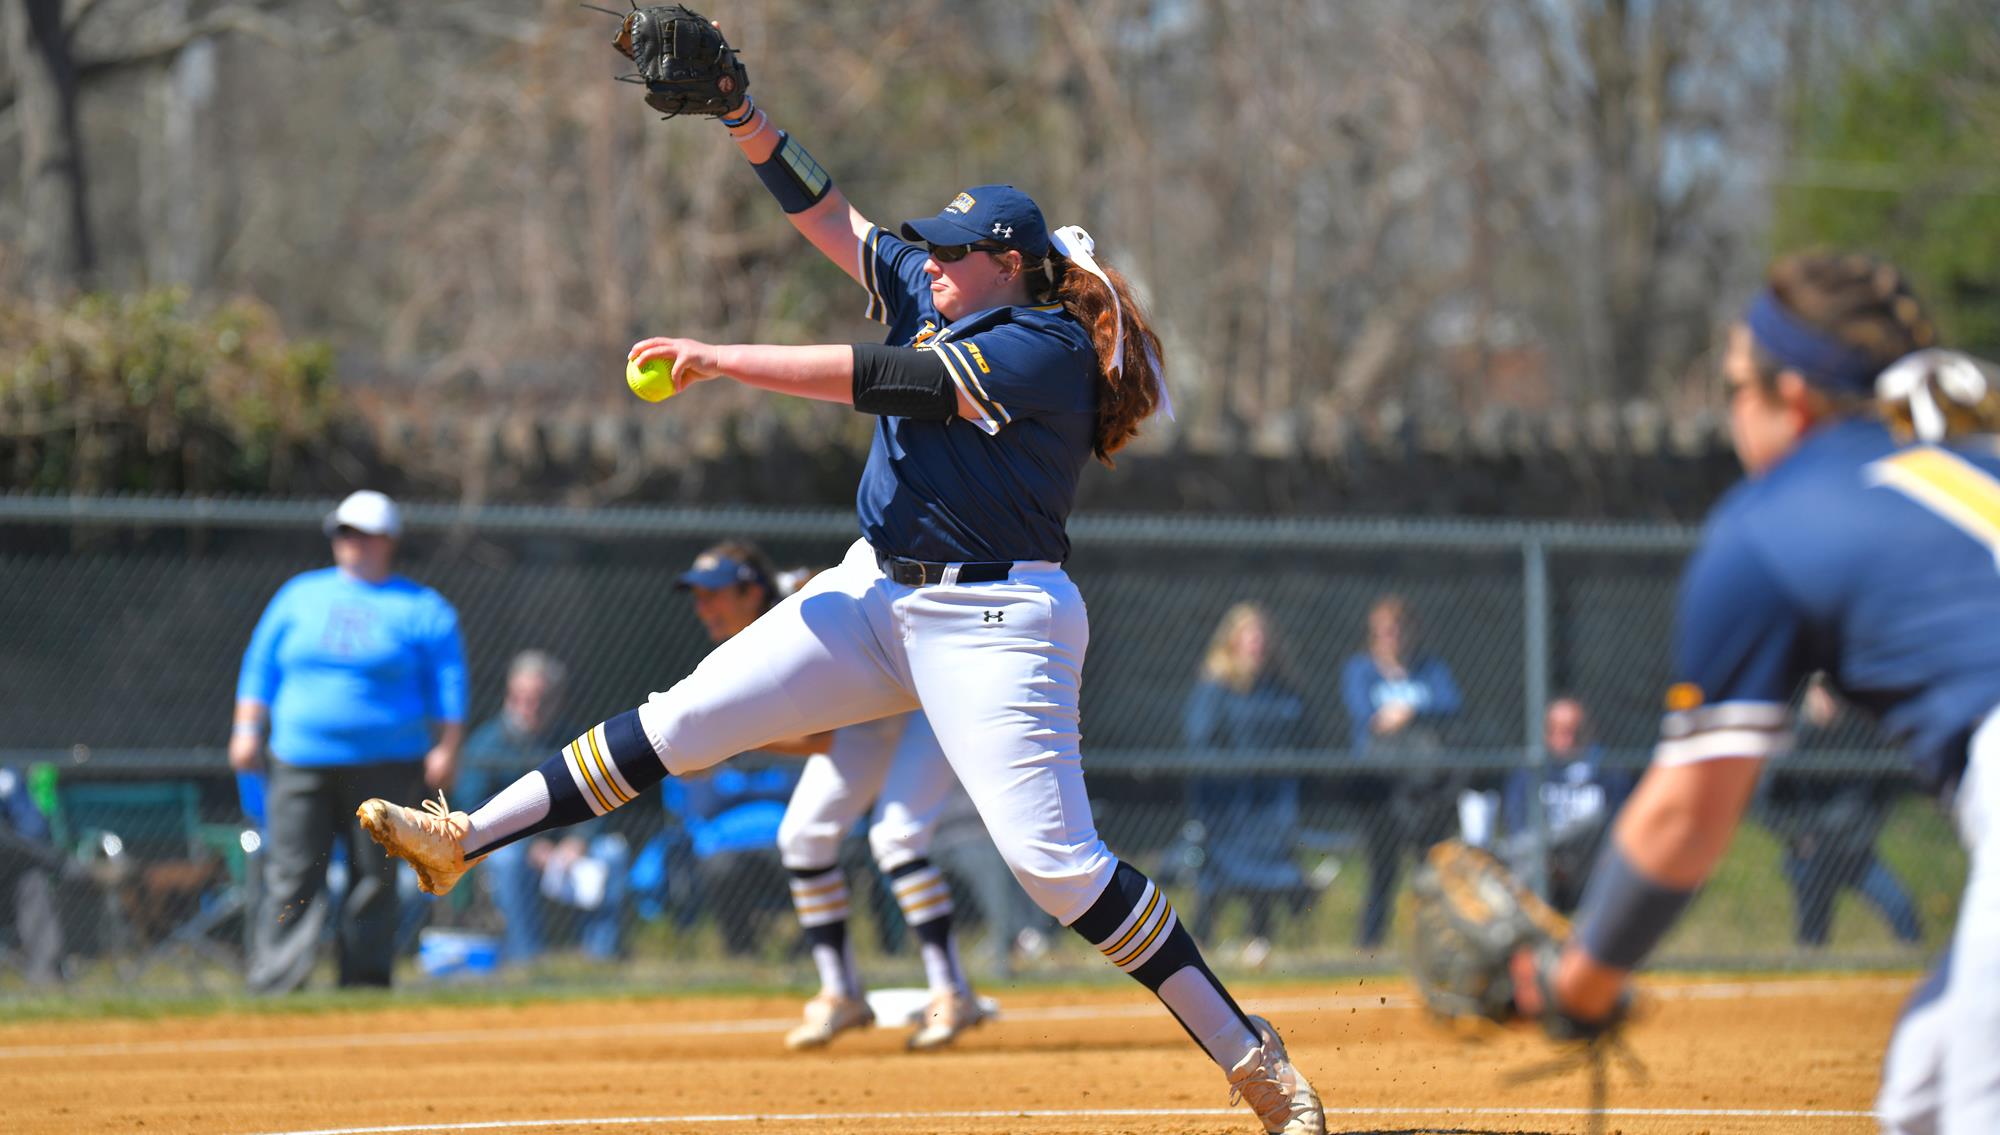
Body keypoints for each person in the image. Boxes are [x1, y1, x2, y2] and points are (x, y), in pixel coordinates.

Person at [357, 48, 1321, 1133]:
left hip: (996, 622)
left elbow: (889, 382)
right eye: (936, 247)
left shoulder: (1040, 345)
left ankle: (1251, 1057)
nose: (933, 260)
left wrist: (721, 356)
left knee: (1057, 872)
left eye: (956, 249)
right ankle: (464, 837)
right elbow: (830, 216)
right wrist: (740, 112)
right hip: (874, 593)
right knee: (683, 719)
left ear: (1008, 260)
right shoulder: (940, 288)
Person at [1499, 253, 1999, 1134]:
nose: (1730, 409)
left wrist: (1577, 979)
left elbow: (1687, 816)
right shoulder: (1968, 468)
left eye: (1737, 386)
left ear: (1794, 397)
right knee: (1924, 1082)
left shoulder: (1768, 524)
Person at [674, 540, 987, 1050]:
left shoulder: (797, 599)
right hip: (864, 721)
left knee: (897, 838)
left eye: (713, 594)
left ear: (750, 589)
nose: (702, 607)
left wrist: (721, 744)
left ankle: (953, 992)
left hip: (921, 705)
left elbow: (818, 736)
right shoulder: (750, 634)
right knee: (802, 839)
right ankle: (841, 993)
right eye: (697, 595)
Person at [231, 489, 466, 993]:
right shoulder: (298, 595)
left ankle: (364, 980)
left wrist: (448, 746)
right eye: (344, 532)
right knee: (292, 869)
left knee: (375, 877)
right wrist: (246, 729)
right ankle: (278, 980)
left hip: (387, 762)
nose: (351, 543)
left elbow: (450, 682)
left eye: (363, 534)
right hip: (299, 757)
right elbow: (260, 666)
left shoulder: (422, 608)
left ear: (389, 541)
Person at [461, 650, 631, 965]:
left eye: (539, 699)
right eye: (520, 697)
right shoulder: (486, 744)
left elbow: (603, 794)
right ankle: (527, 960)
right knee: (507, 860)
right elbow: (471, 811)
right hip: (513, 847)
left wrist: (579, 841)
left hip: (569, 848)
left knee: (612, 853)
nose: (529, 708)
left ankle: (600, 958)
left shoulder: (574, 740)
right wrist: (530, 845)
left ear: (557, 700)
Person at [1183, 603, 1310, 967]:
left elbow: (1301, 735)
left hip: (1271, 800)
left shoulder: (1281, 688)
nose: (1257, 644)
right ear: (1232, 641)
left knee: (1266, 865)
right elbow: (1201, 739)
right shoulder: (1215, 687)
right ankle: (1200, 941)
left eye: (1261, 636)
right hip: (1227, 799)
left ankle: (1259, 938)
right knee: (1215, 869)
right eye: (1248, 636)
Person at [1757, 677, 1922, 948]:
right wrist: (1797, 836)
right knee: (1812, 932)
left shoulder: (1861, 734)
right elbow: (1767, 803)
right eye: (1819, 693)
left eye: (1831, 693)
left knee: (1900, 906)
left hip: (1856, 851)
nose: (1827, 701)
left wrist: (1867, 826)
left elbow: (1886, 788)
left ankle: (1914, 964)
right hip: (1812, 853)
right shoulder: (1793, 739)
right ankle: (1809, 969)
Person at [1340, 594, 1464, 949]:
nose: (1391, 637)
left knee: (1429, 866)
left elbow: (1450, 703)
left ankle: (1431, 942)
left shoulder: (1430, 668)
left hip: (1425, 783)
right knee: (1382, 866)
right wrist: (1412, 712)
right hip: (1379, 783)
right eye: (1383, 632)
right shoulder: (1360, 669)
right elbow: (1365, 714)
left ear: (1412, 631)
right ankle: (1369, 942)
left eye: (1397, 630)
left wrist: (1408, 712)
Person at [1498, 697, 1634, 913]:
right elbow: (1518, 824)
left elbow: (1621, 825)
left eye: (1574, 731)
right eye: (1558, 730)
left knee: (1591, 824)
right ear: (1546, 733)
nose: (1567, 739)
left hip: (1590, 863)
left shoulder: (1609, 772)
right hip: (1542, 861)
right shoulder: (1529, 772)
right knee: (1523, 860)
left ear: (1589, 731)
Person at [0, 764, 65, 985]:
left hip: (8, 871)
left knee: (34, 881)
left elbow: (33, 828)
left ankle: (43, 976)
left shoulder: (5, 778)